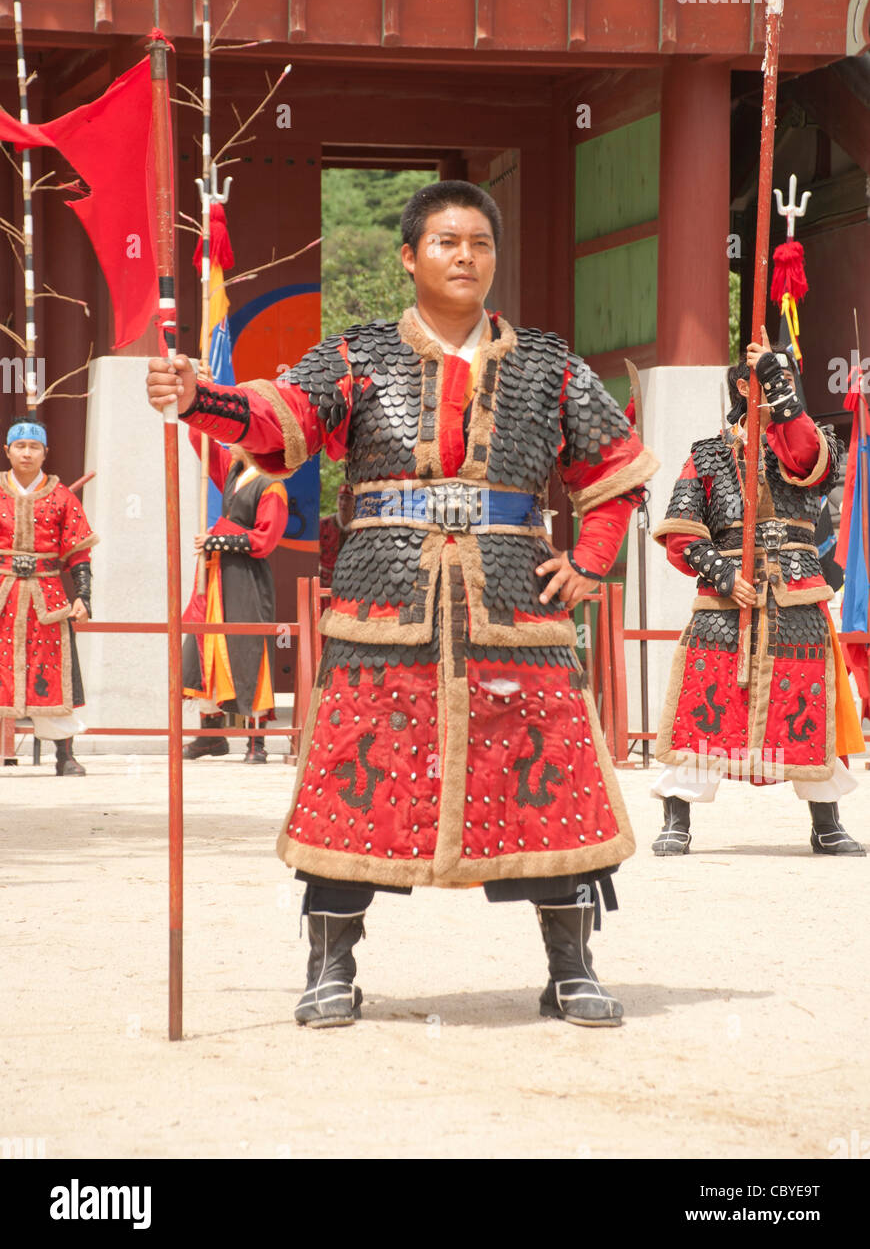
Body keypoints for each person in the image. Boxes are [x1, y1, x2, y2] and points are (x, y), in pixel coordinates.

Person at [147, 180, 658, 1029]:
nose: (466, 257)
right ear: (409, 256)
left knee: (545, 782)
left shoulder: (549, 364)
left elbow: (617, 469)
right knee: (354, 782)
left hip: (514, 602)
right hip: (384, 602)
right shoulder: (355, 356)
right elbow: (280, 418)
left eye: (480, 244)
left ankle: (570, 967)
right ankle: (330, 968)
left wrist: (593, 562)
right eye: (448, 242)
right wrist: (202, 397)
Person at [651, 329, 865, 857]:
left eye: (782, 385)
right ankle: (677, 817)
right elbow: (680, 528)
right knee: (704, 702)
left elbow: (805, 457)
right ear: (744, 392)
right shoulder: (706, 454)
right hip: (725, 602)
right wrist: (723, 576)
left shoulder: (810, 444)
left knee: (806, 704)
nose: (776, 394)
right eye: (766, 385)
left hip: (795, 595)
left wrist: (775, 370)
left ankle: (826, 820)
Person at [182, 434, 288, 764]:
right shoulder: (233, 468)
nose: (228, 443)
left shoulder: (272, 484)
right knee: (204, 645)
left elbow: (265, 539)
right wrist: (195, 394)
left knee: (248, 650)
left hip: (247, 578)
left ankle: (257, 741)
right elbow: (202, 442)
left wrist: (218, 541)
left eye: (236, 436)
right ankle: (210, 734)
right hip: (217, 576)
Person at [0, 418, 95, 774]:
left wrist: (84, 596)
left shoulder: (61, 497)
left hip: (47, 597)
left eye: (34, 447)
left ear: (45, 453)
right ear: (7, 450)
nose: (26, 453)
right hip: (2, 593)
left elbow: (79, 553)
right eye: (20, 446)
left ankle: (64, 754)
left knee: (54, 673)